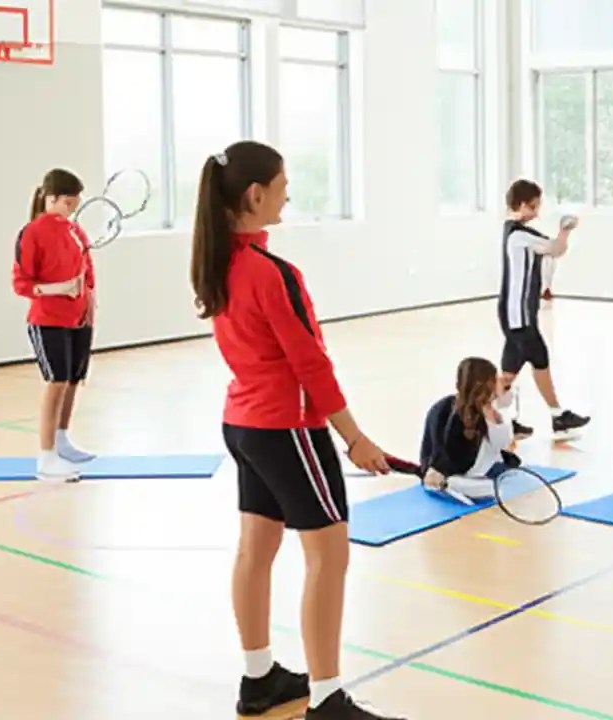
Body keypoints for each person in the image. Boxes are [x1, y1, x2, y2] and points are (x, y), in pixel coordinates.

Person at [189, 140, 403, 720]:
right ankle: (328, 700)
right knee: (328, 555)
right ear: (255, 195)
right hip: (288, 428)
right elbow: (311, 364)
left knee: (255, 549)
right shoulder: (272, 272)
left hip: (244, 425)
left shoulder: (219, 262)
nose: (288, 195)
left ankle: (259, 679)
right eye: (283, 186)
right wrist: (354, 437)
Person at [11, 169, 98, 481]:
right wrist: (58, 289)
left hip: (78, 319)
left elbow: (88, 273)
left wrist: (90, 305)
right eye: (68, 203)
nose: (71, 210)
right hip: (47, 319)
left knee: (73, 379)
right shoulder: (32, 233)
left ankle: (62, 440)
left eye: (75, 204)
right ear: (51, 198)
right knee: (57, 380)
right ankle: (46, 455)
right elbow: (21, 284)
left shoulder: (75, 231)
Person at [497, 178, 589, 442]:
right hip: (519, 315)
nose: (537, 212)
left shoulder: (517, 233)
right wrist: (565, 230)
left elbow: (552, 252)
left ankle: (496, 417)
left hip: (516, 313)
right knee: (539, 358)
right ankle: (558, 417)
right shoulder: (519, 235)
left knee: (510, 371)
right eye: (533, 206)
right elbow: (556, 248)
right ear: (521, 205)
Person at [419, 357, 523, 501]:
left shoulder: (486, 409)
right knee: (493, 487)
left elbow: (502, 444)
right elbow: (439, 450)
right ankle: (447, 484)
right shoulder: (446, 410)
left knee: (507, 477)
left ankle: (448, 484)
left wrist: (496, 413)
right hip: (458, 472)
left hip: (476, 469)